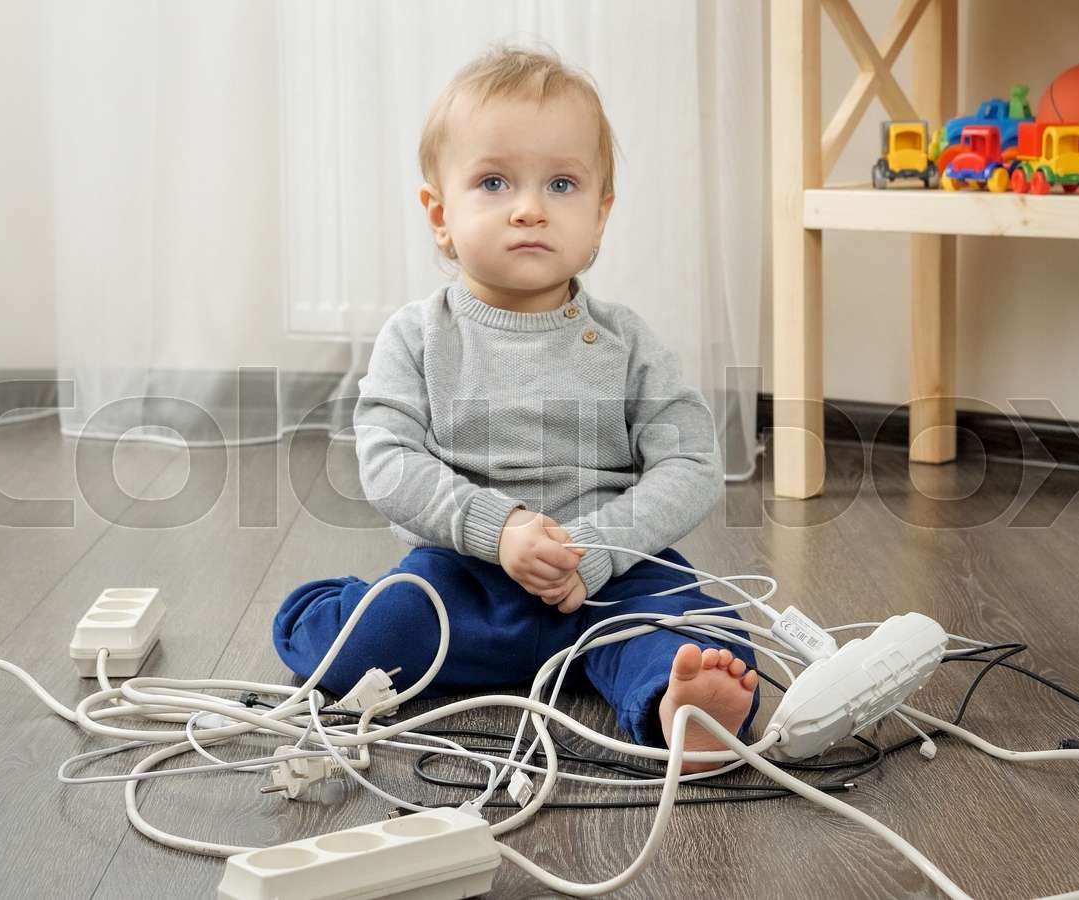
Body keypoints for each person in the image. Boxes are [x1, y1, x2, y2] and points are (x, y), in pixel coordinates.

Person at [273, 44, 757, 772]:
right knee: (379, 635)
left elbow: (689, 462)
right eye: (494, 182)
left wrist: (597, 550)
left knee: (695, 625)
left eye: (562, 184)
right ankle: (333, 612)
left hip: (609, 579)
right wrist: (496, 532)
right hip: (465, 576)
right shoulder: (417, 337)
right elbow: (388, 460)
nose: (529, 208)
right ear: (440, 214)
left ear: (600, 216)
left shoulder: (628, 343)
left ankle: (675, 706)